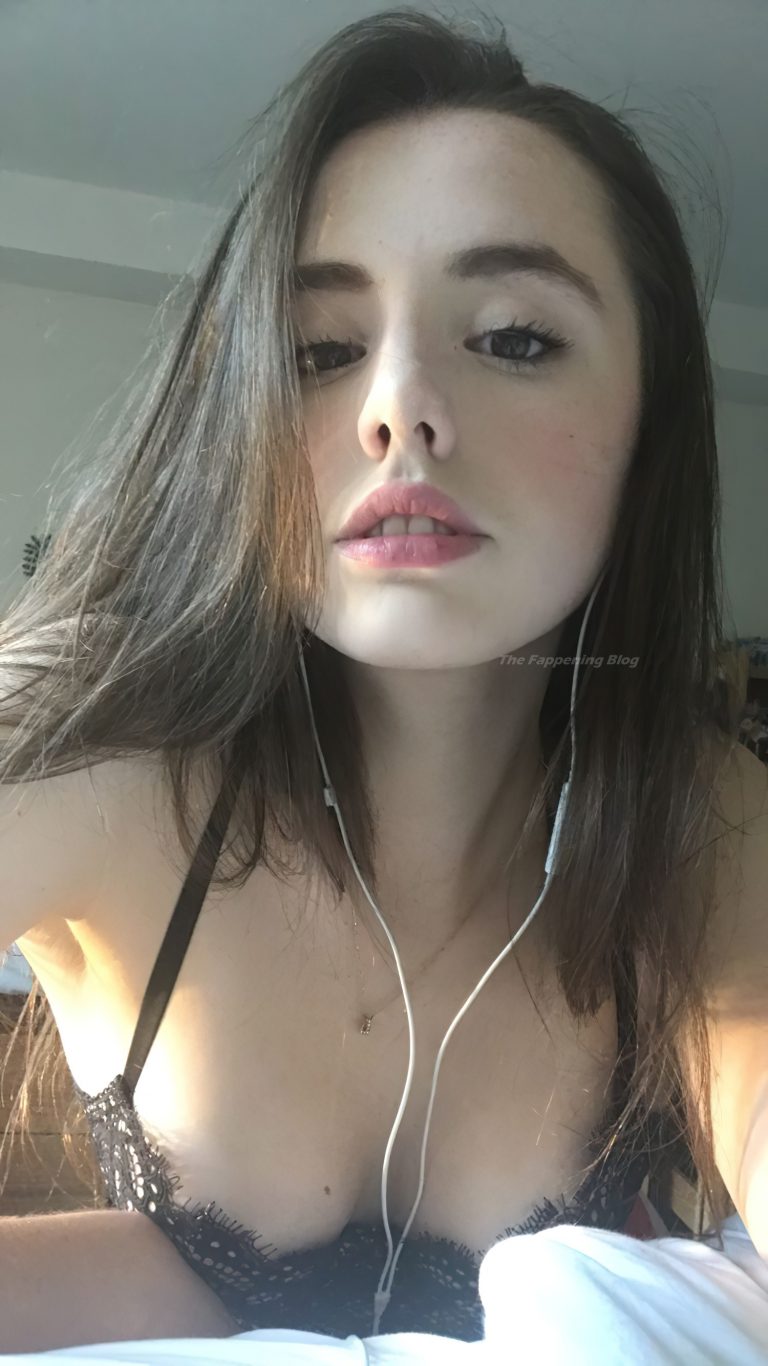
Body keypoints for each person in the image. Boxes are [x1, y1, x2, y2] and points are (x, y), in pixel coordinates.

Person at [1, 6, 766, 1355]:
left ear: (649, 421)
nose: (397, 405)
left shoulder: (706, 820)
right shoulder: (96, 752)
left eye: (514, 336)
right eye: (321, 349)